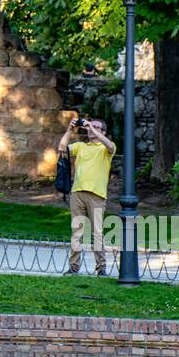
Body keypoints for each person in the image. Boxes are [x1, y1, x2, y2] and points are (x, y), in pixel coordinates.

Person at [58, 115, 116, 276]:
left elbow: (109, 145)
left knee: (97, 232)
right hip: (77, 193)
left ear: (103, 131)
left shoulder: (106, 149)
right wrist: (69, 131)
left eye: (96, 127)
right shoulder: (80, 146)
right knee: (77, 232)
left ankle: (101, 268)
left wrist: (91, 127)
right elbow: (62, 148)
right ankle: (73, 267)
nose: (91, 129)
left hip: (97, 196)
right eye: (90, 127)